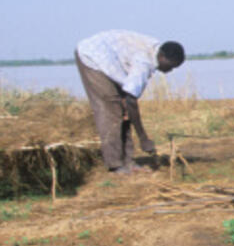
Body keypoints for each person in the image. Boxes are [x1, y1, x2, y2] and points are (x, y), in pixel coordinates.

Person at [75, 30, 185, 174]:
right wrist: (143, 138)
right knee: (111, 110)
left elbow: (128, 101)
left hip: (112, 58)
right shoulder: (143, 63)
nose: (170, 71)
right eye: (170, 66)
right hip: (92, 57)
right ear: (162, 56)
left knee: (123, 111)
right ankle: (115, 164)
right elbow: (131, 101)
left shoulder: (155, 50)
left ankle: (128, 161)